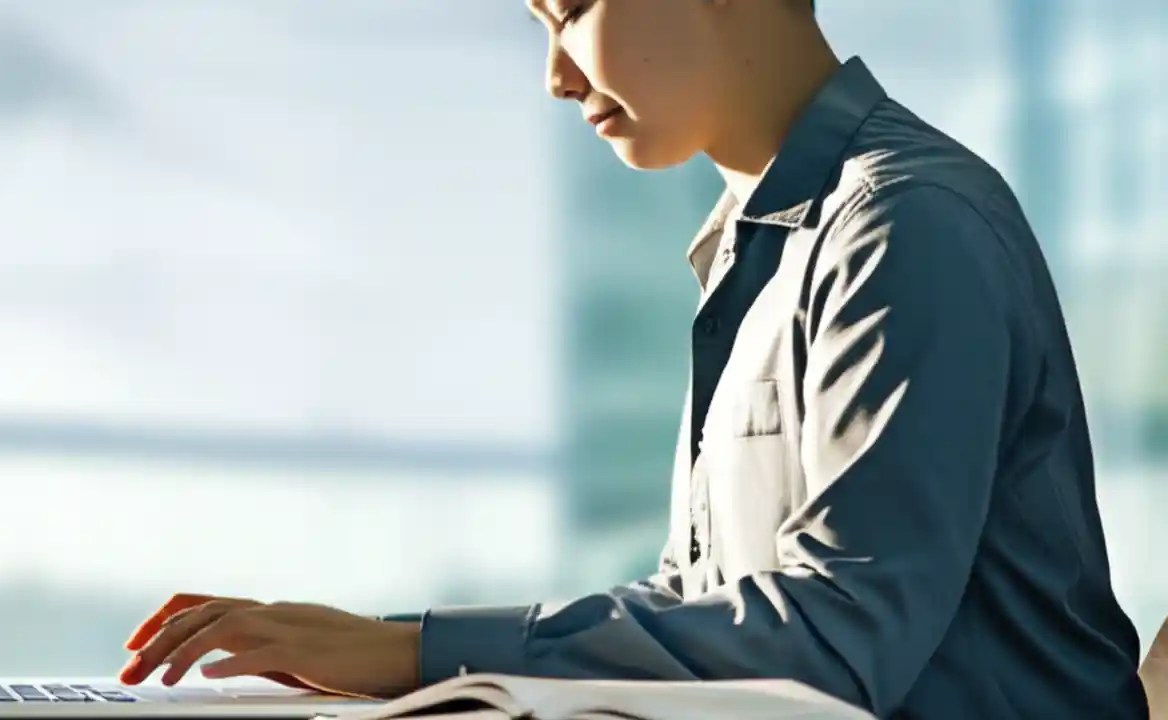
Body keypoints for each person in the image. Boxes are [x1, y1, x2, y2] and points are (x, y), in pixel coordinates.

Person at [116, 1, 1150, 717]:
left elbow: (837, 644)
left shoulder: (904, 229)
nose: (555, 77)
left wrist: (413, 653)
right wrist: (405, 663)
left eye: (567, 11)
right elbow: (710, 612)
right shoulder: (755, 247)